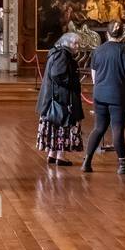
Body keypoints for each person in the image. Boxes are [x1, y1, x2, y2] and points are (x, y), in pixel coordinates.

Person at [83, 19, 125, 175]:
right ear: (123, 34)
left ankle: (87, 162)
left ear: (106, 33)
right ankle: (123, 164)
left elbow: (94, 76)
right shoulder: (123, 49)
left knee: (99, 128)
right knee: (117, 129)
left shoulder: (98, 50)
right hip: (118, 96)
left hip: (100, 94)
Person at [35, 32, 84, 166]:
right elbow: (57, 74)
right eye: (75, 43)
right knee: (63, 126)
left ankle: (52, 154)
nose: (77, 46)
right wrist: (73, 82)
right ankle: (60, 156)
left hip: (55, 99)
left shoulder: (57, 53)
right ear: (67, 43)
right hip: (61, 99)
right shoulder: (63, 54)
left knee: (54, 127)